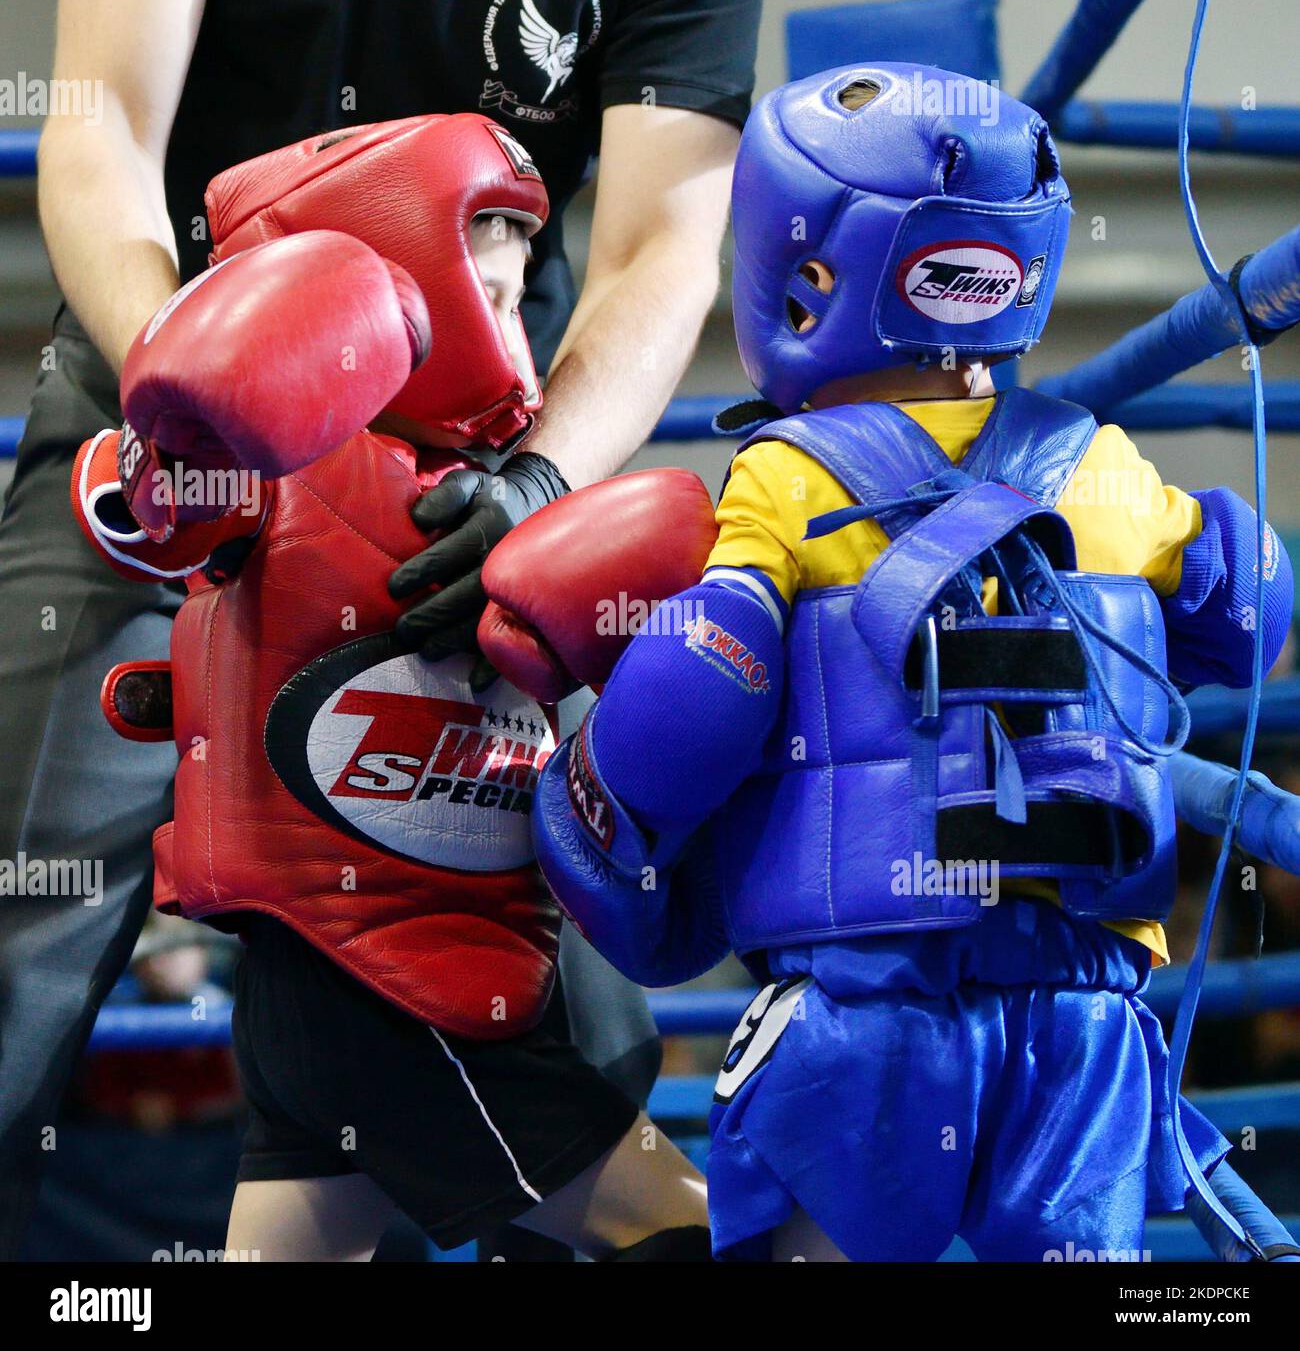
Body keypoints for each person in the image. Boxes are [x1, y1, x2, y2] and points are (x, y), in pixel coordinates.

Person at [478, 64, 1296, 1260]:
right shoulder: (1104, 466)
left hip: (872, 1007)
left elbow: (709, 679)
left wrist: (591, 812)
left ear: (803, 275)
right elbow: (1248, 608)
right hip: (1083, 1028)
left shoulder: (790, 475)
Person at [1, 0, 759, 1255]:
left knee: (536, 978)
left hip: (477, 451)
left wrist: (538, 483)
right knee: (24, 900)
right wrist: (217, 399)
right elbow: (104, 127)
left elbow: (660, 245)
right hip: (168, 387)